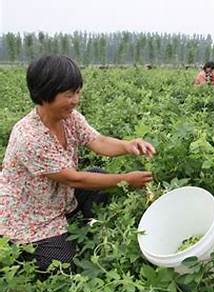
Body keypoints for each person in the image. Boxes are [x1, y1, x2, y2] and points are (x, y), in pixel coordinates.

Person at [0, 55, 155, 271]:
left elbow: (98, 141)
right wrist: (125, 180)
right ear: (45, 94)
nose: (76, 100)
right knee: (63, 264)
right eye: (69, 94)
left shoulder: (69, 117)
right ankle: (20, 249)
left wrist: (128, 145)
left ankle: (78, 224)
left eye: (77, 92)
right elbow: (75, 179)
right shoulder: (29, 136)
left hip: (59, 196)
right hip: (31, 213)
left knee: (98, 175)